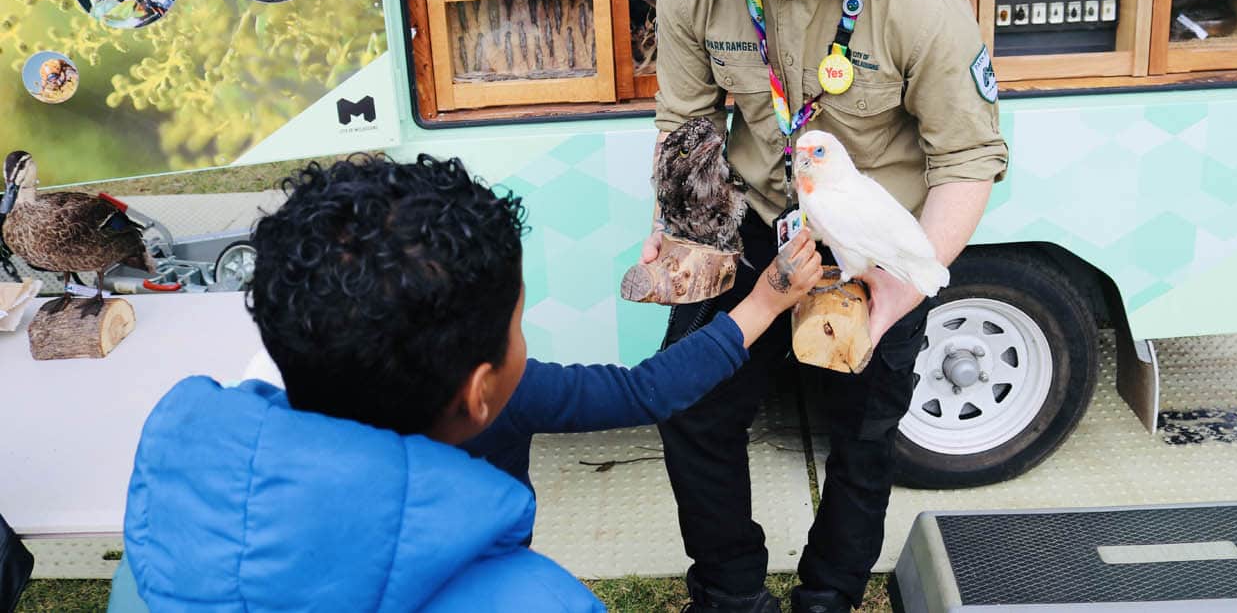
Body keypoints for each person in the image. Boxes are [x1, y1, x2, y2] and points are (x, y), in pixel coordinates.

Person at [114, 155, 822, 612]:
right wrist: (764, 304)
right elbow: (645, 391)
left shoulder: (161, 536)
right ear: (481, 392)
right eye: (517, 322)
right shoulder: (541, 600)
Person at [643, 0, 1009, 613]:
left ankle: (829, 595)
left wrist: (899, 288)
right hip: (754, 219)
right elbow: (689, 126)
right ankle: (730, 595)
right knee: (690, 406)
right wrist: (680, 236)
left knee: (865, 433)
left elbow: (967, 158)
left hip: (876, 239)